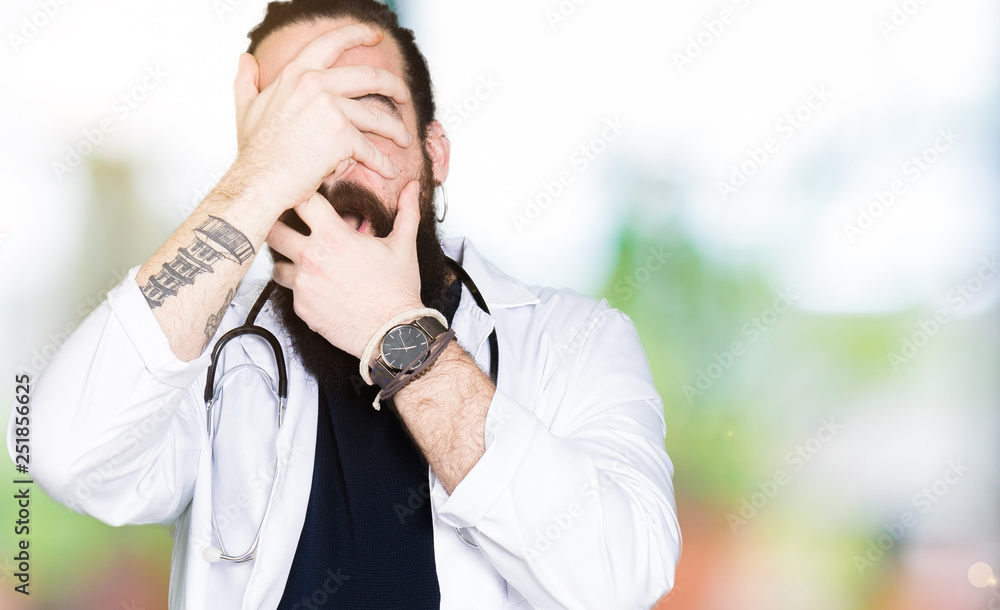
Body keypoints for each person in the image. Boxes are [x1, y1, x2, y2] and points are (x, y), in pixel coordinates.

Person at [7, 1, 680, 608]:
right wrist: (253, 183)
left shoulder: (578, 340)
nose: (336, 155)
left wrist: (400, 339)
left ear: (434, 153)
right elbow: (62, 452)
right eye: (294, 128)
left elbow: (623, 578)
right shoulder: (213, 345)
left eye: (370, 108)